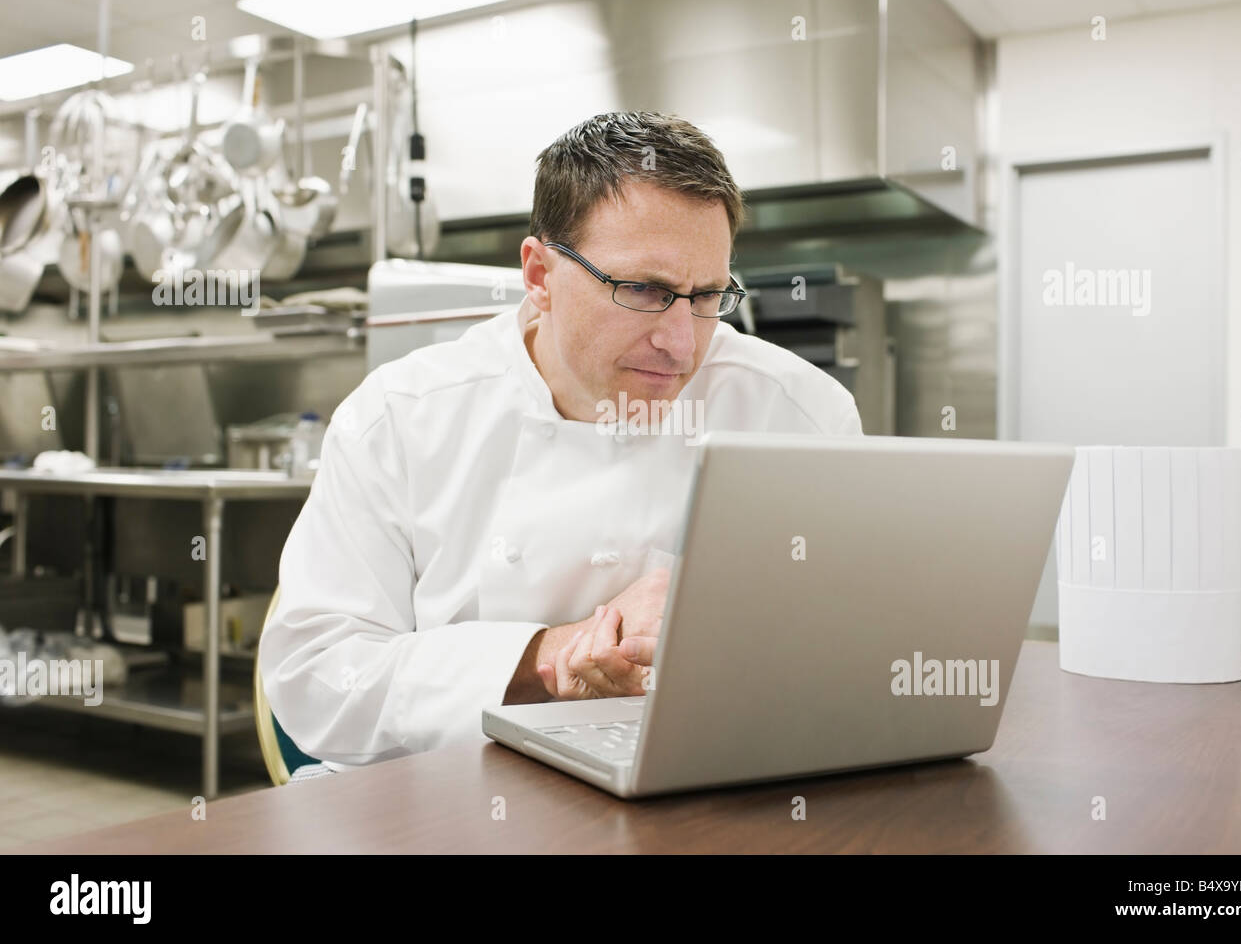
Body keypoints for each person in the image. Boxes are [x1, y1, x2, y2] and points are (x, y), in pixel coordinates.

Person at [260, 111, 863, 771]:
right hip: (442, 801)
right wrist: (550, 656)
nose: (681, 343)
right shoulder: (400, 418)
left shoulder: (798, 415)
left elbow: (846, 648)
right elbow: (315, 677)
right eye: (644, 290)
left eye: (707, 296)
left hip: (694, 791)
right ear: (541, 276)